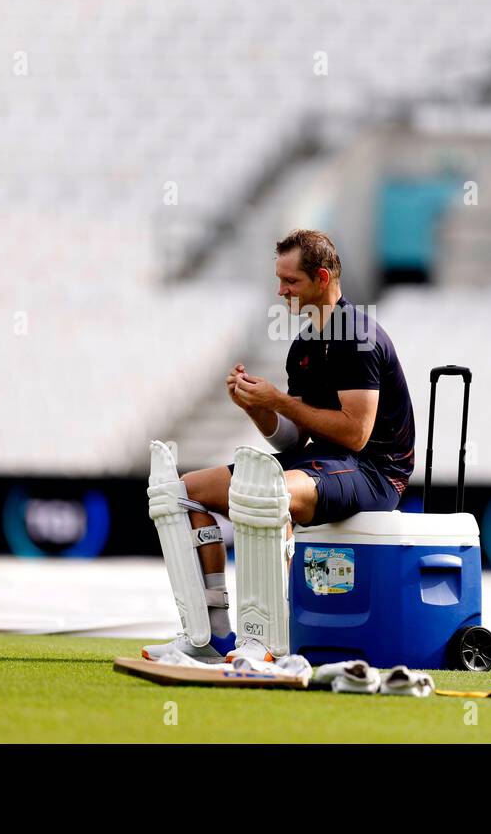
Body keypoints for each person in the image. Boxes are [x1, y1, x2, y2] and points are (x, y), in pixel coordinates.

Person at [143, 229, 416, 662]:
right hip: (322, 462)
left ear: (321, 278)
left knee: (267, 496)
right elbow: (294, 439)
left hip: (375, 472)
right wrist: (256, 406)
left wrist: (279, 400)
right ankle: (211, 637)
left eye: (290, 281)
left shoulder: (358, 336)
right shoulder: (305, 344)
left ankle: (273, 643)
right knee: (182, 494)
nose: (281, 290)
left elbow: (355, 435)